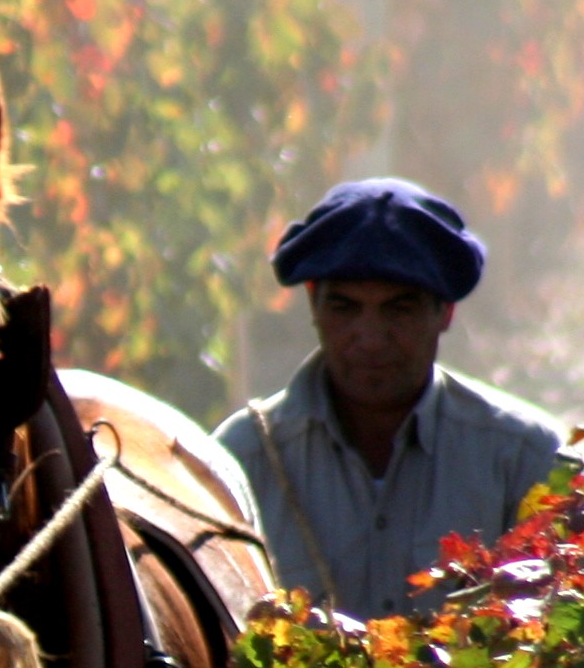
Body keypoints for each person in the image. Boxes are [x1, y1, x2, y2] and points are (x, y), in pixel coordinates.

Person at [213, 177, 565, 618]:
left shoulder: (524, 459)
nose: (371, 338)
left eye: (399, 309)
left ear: (445, 312)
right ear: (313, 305)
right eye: (345, 308)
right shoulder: (243, 461)